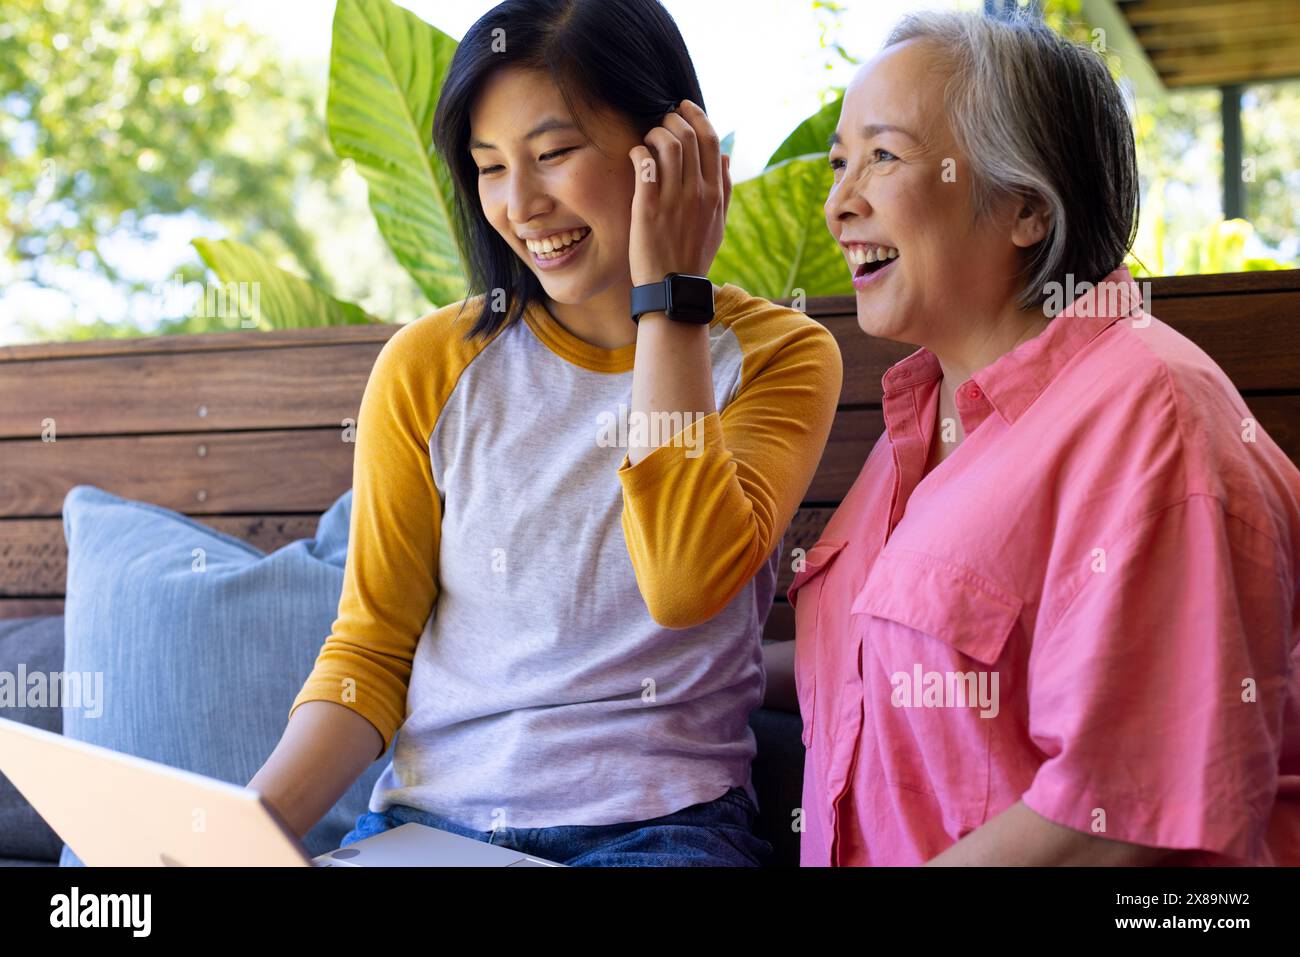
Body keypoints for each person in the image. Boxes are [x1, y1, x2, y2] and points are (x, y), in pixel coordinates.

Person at [248, 0, 842, 867]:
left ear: (670, 148)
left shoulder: (779, 356)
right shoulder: (429, 366)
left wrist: (670, 297)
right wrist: (241, 828)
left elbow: (684, 583)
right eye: (489, 168)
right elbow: (372, 649)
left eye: (554, 153)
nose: (519, 204)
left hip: (663, 830)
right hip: (434, 833)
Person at [776, 9, 1300, 866]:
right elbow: (879, 665)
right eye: (840, 162)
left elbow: (1124, 821)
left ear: (1024, 205)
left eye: (883, 155)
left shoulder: (1153, 419)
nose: (840, 203)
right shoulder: (914, 427)